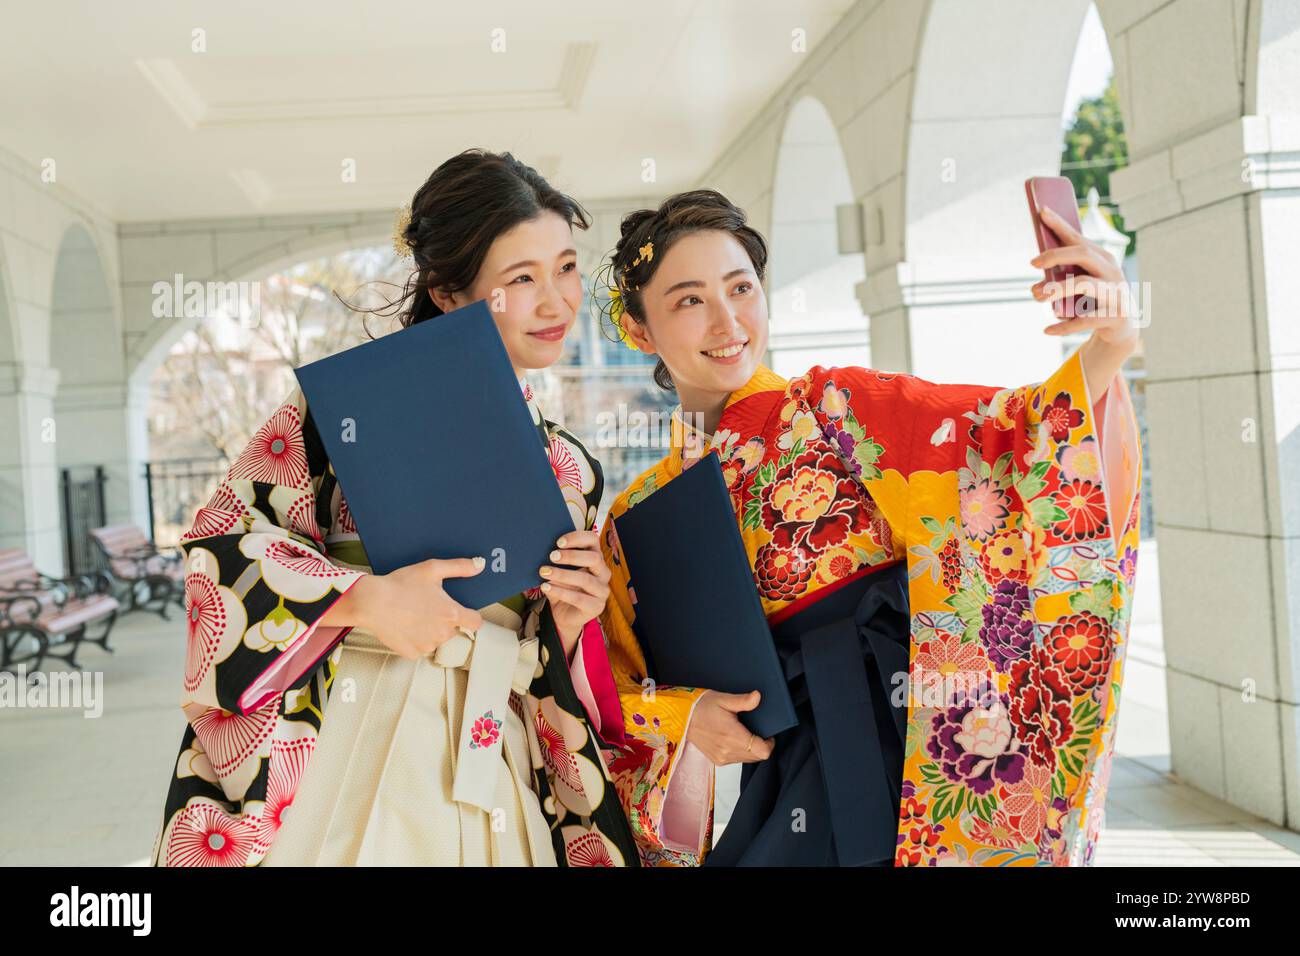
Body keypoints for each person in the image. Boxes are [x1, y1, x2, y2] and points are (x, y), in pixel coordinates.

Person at [594, 188, 1142, 866]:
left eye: (741, 288)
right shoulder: (636, 520)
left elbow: (1008, 436)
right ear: (640, 329)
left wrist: (1112, 342)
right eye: (689, 300)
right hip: (791, 767)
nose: (727, 320)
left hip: (922, 745)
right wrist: (688, 716)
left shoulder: (836, 406)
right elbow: (614, 689)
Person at [149, 150, 637, 867]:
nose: (558, 302)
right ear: (447, 292)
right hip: (360, 717)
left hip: (497, 740)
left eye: (565, 267)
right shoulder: (342, 412)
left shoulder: (572, 465)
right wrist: (361, 598)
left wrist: (570, 618)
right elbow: (221, 547)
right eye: (521, 279)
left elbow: (555, 659)